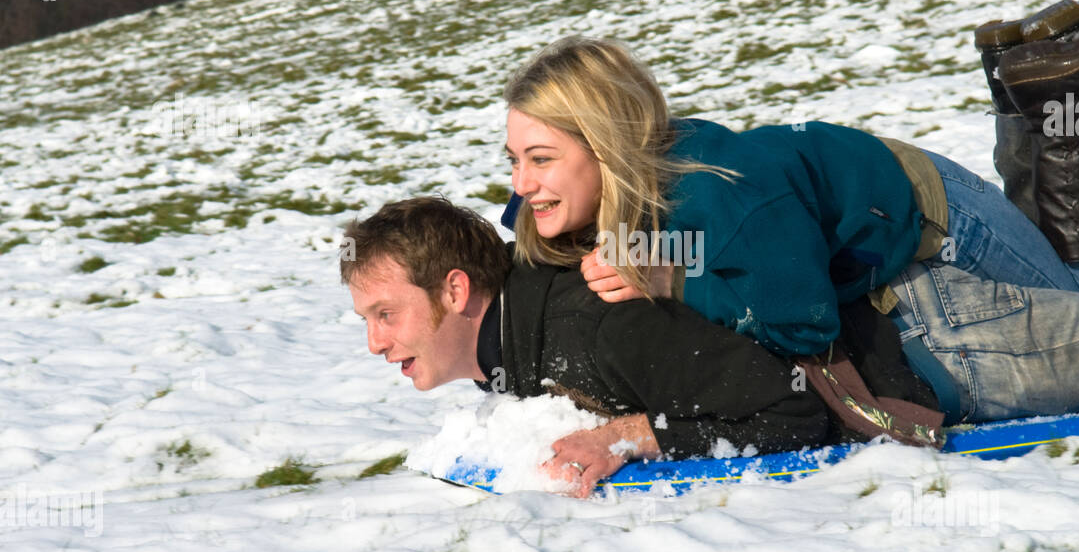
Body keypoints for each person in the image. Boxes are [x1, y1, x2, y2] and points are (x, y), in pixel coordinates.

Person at [497, 0, 1079, 425]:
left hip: (933, 216)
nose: (522, 183)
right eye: (513, 159)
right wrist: (538, 211)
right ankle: (1034, 82)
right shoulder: (636, 180)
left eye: (540, 158)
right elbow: (537, 210)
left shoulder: (717, 204)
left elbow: (804, 321)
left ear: (605, 147)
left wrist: (671, 281)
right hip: (890, 206)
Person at [341, 195, 834, 498]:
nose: (374, 343)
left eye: (386, 314)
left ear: (455, 291)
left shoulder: (602, 328)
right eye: (367, 320)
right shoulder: (506, 336)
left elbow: (796, 412)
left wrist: (629, 436)